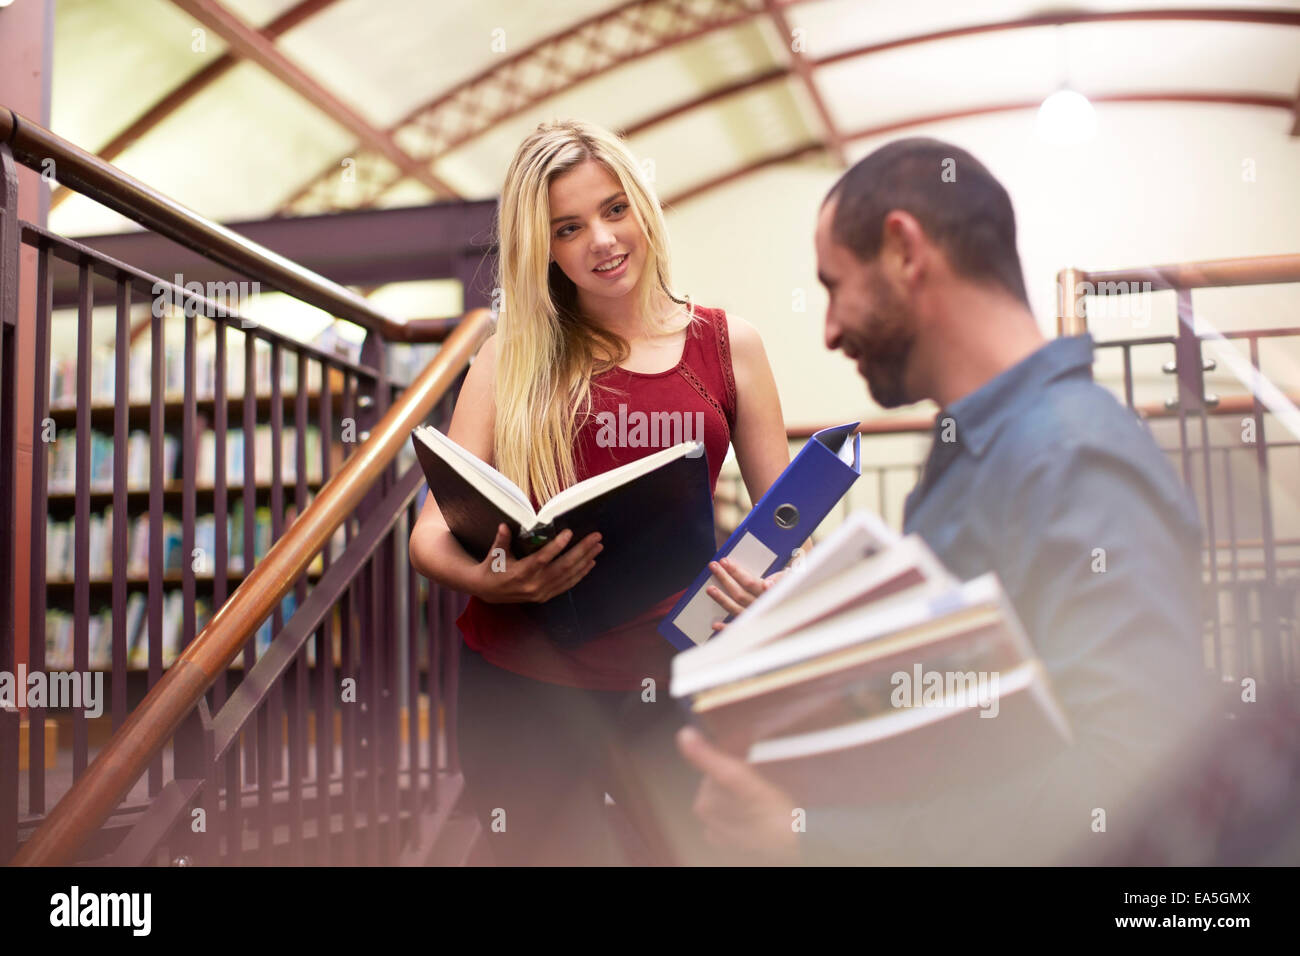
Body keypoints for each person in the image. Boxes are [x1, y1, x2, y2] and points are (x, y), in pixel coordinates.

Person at [675, 137, 1218, 865]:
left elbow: (1137, 777)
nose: (830, 329)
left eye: (834, 285)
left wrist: (816, 839)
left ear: (905, 249)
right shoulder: (977, 446)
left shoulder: (1074, 457)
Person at [408, 119, 791, 865]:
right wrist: (498, 579)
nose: (603, 240)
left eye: (616, 209)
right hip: (524, 679)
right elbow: (428, 537)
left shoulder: (728, 344)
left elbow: (784, 521)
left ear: (642, 208)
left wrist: (770, 582)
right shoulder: (507, 359)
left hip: (677, 674)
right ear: (541, 248)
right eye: (569, 227)